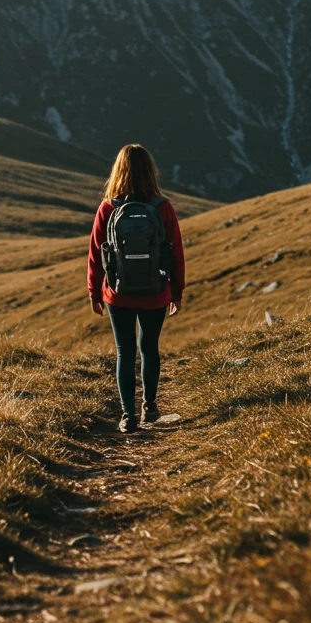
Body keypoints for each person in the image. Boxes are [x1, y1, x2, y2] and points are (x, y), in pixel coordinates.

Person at [87, 144, 185, 433]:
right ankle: (150, 408)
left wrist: (94, 292)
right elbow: (175, 252)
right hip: (156, 292)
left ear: (118, 170)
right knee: (150, 348)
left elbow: (96, 252)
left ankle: (128, 415)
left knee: (124, 351)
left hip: (118, 292)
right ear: (150, 171)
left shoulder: (108, 207)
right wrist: (176, 292)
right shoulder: (162, 207)